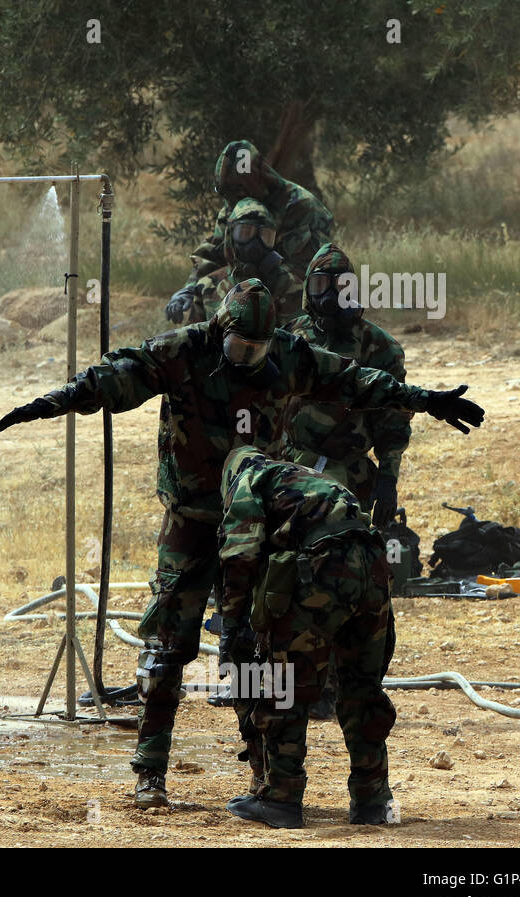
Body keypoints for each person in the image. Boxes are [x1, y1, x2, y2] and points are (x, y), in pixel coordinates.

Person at [0, 278, 483, 808]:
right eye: (237, 347)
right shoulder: (183, 349)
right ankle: (150, 771)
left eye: (257, 349)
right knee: (168, 643)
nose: (246, 357)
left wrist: (422, 399)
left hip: (260, 519)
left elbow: (353, 380)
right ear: (220, 331)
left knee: (256, 647)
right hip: (193, 521)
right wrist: (52, 402)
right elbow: (116, 375)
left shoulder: (290, 355)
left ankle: (267, 778)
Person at [217, 445, 398, 829]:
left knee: (285, 684)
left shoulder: (247, 480)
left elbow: (240, 554)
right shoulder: (308, 479)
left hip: (324, 567)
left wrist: (233, 626)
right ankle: (372, 801)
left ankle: (280, 800)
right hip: (373, 568)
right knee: (361, 688)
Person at [280, 243, 412, 720]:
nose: (331, 296)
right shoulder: (290, 338)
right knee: (289, 575)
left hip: (353, 475)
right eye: (320, 286)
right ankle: (293, 681)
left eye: (340, 287)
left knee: (346, 579)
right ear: (307, 291)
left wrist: (388, 481)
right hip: (294, 473)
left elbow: (394, 421)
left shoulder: (379, 347)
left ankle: (339, 684)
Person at [165, 140, 332, 324]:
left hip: (291, 290)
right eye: (224, 193)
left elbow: (320, 271)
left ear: (254, 182)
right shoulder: (233, 207)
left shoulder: (302, 207)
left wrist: (270, 266)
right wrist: (189, 288)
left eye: (234, 192)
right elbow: (214, 251)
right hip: (246, 280)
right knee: (205, 289)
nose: (229, 201)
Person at [190, 198, 299, 326]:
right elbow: (192, 340)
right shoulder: (207, 287)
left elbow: (301, 338)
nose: (255, 245)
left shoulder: (289, 285)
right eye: (245, 233)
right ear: (230, 236)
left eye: (265, 236)